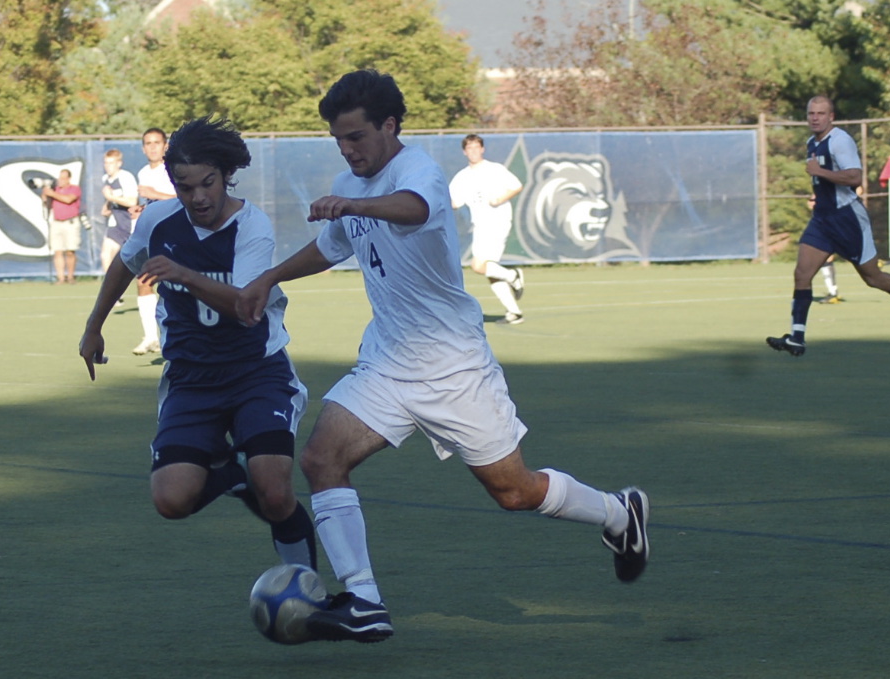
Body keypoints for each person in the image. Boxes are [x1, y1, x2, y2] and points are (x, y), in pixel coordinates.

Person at [236, 69, 649, 644]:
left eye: (356, 137)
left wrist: (352, 202)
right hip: (387, 362)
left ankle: (618, 513)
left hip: (453, 368)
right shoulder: (350, 182)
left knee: (514, 492)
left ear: (389, 125)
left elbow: (411, 209)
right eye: (338, 140)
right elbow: (331, 248)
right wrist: (272, 276)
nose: (347, 149)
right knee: (321, 460)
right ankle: (364, 601)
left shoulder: (419, 173)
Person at [78, 116, 317, 576]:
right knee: (170, 500)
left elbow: (246, 307)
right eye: (185, 187)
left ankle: (309, 591)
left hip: (256, 372)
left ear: (226, 175)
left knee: (273, 490)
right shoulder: (158, 220)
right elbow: (126, 264)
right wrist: (94, 326)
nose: (198, 197)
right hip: (191, 378)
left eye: (208, 183)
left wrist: (185, 274)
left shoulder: (251, 226)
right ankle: (227, 472)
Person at [767, 95, 890, 356]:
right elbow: (823, 180)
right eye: (811, 113)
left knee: (873, 277)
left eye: (821, 113)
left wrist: (819, 173)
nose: (815, 118)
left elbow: (855, 177)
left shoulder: (840, 140)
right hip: (822, 220)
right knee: (802, 274)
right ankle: (797, 338)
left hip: (847, 219)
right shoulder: (812, 142)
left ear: (831, 116)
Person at [449, 134, 526, 324]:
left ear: (482, 149)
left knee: (478, 265)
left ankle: (512, 275)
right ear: (464, 151)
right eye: (470, 148)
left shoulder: (495, 169)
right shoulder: (462, 176)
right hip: (480, 225)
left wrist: (500, 198)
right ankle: (514, 312)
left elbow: (516, 186)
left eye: (476, 147)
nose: (473, 151)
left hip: (497, 221)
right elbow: (454, 202)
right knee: (489, 269)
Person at [129, 128, 177, 356]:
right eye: (148, 143)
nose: (152, 147)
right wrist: (140, 208)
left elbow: (184, 199)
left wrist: (155, 193)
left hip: (174, 234)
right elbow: (152, 202)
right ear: (143, 147)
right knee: (143, 281)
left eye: (157, 142)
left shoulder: (173, 169)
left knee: (175, 286)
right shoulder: (143, 172)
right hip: (151, 233)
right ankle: (150, 337)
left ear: (165, 145)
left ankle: (176, 337)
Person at [99, 149, 139, 301]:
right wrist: (107, 206)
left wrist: (111, 197)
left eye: (111, 163)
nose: (108, 166)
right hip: (115, 223)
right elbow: (112, 200)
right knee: (105, 255)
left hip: (129, 223)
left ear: (119, 163)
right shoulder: (106, 179)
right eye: (106, 163)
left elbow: (131, 201)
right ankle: (113, 292)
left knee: (137, 265)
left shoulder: (125, 177)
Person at [41, 169, 83, 284]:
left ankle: (70, 276)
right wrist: (45, 196)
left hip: (70, 222)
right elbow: (47, 204)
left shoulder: (74, 189)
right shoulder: (55, 190)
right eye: (60, 178)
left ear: (69, 179)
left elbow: (68, 199)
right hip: (57, 222)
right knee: (57, 251)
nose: (61, 180)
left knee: (70, 250)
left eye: (63, 178)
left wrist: (52, 194)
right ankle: (60, 278)